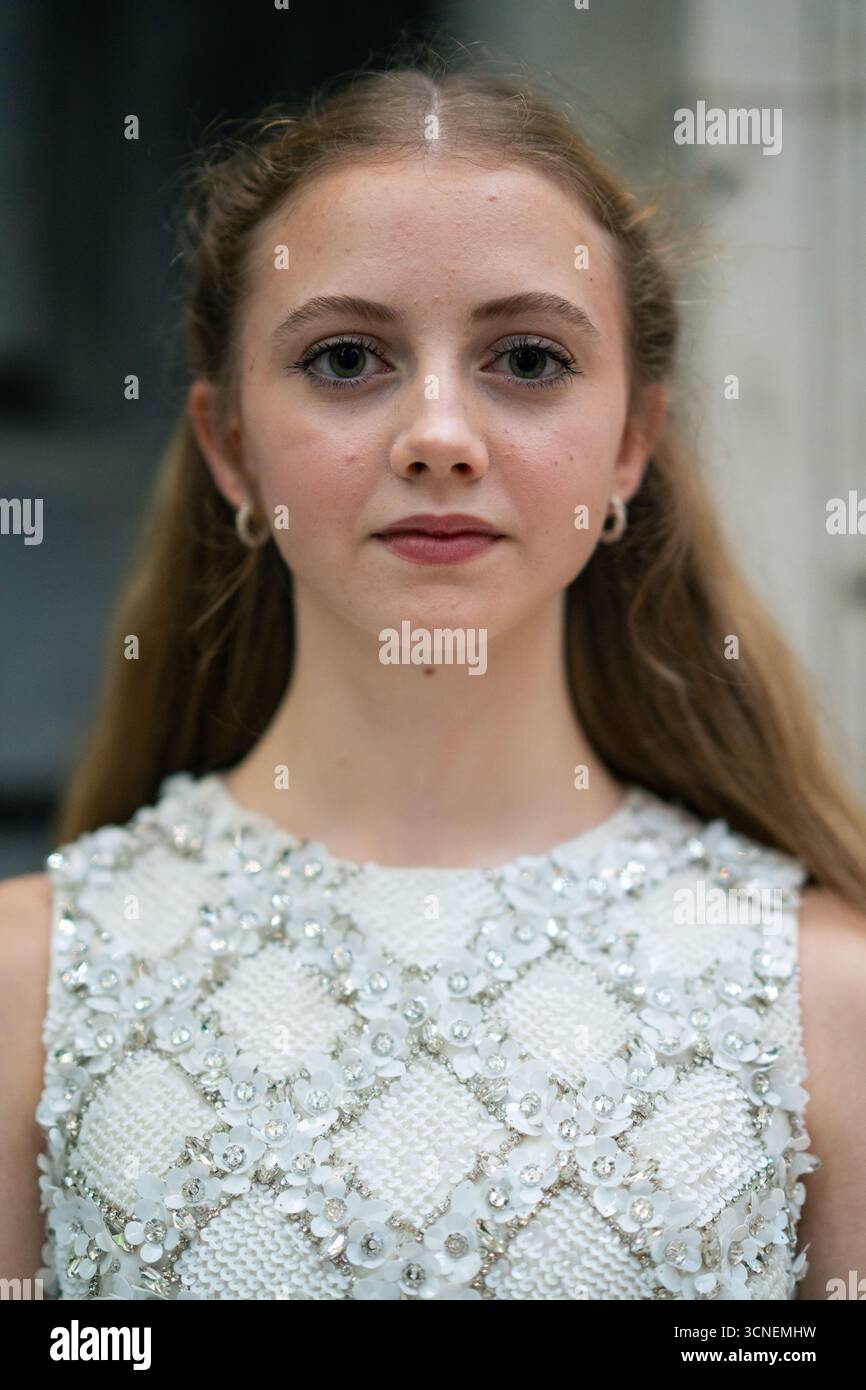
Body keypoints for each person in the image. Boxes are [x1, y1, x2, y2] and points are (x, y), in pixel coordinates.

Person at [1, 53, 865, 1301]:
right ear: (230, 446)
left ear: (630, 444)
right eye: (347, 360)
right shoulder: (33, 982)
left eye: (525, 359)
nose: (439, 439)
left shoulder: (823, 996)